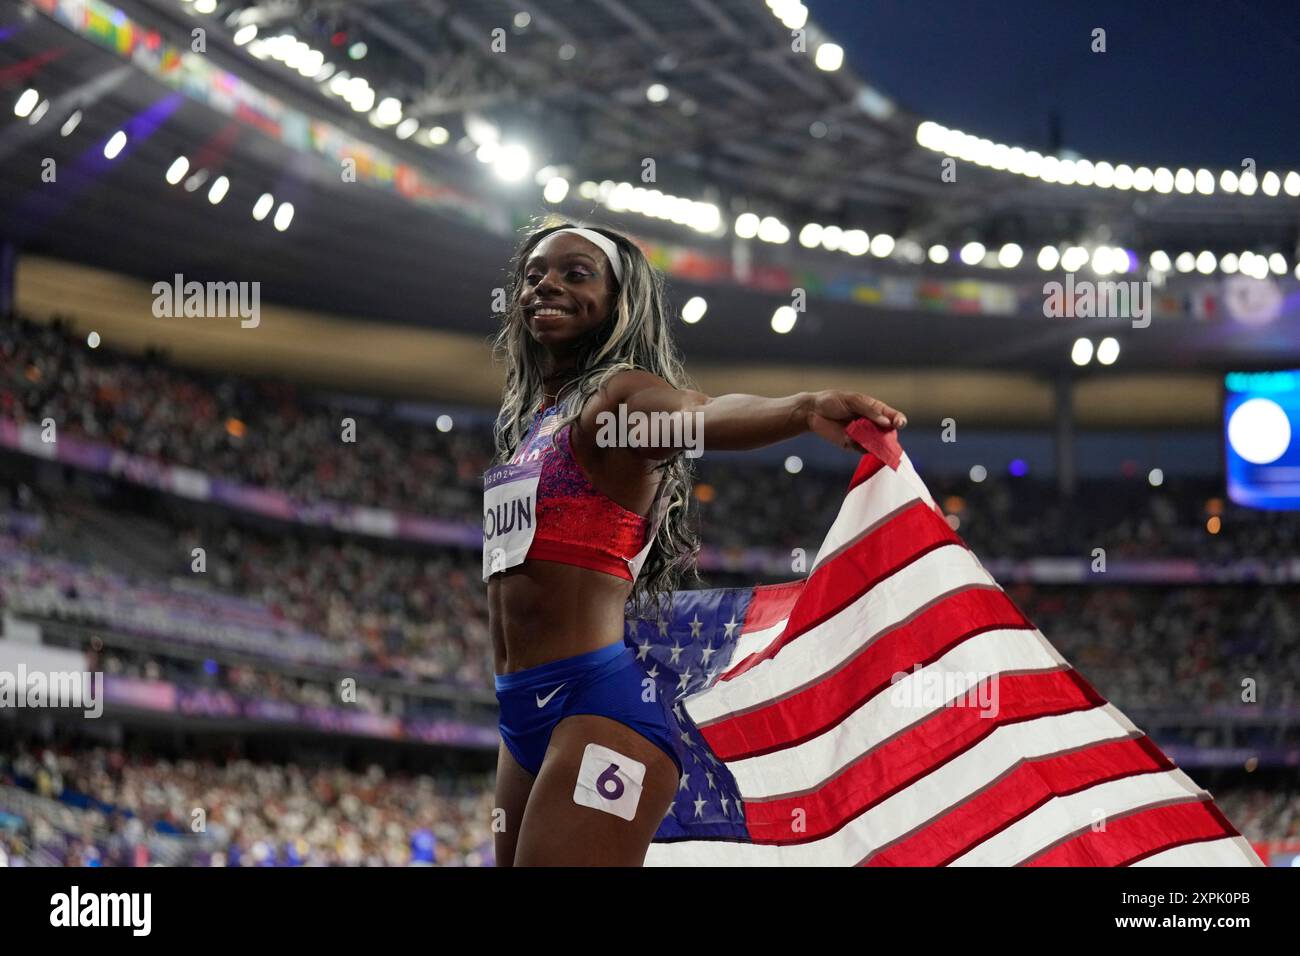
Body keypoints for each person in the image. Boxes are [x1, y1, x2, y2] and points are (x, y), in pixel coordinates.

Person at [485, 222, 906, 866]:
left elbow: (699, 416)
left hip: (598, 709)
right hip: (522, 707)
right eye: (536, 273)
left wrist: (799, 408)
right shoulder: (537, 423)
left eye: (576, 274)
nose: (548, 284)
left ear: (620, 302)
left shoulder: (613, 400)